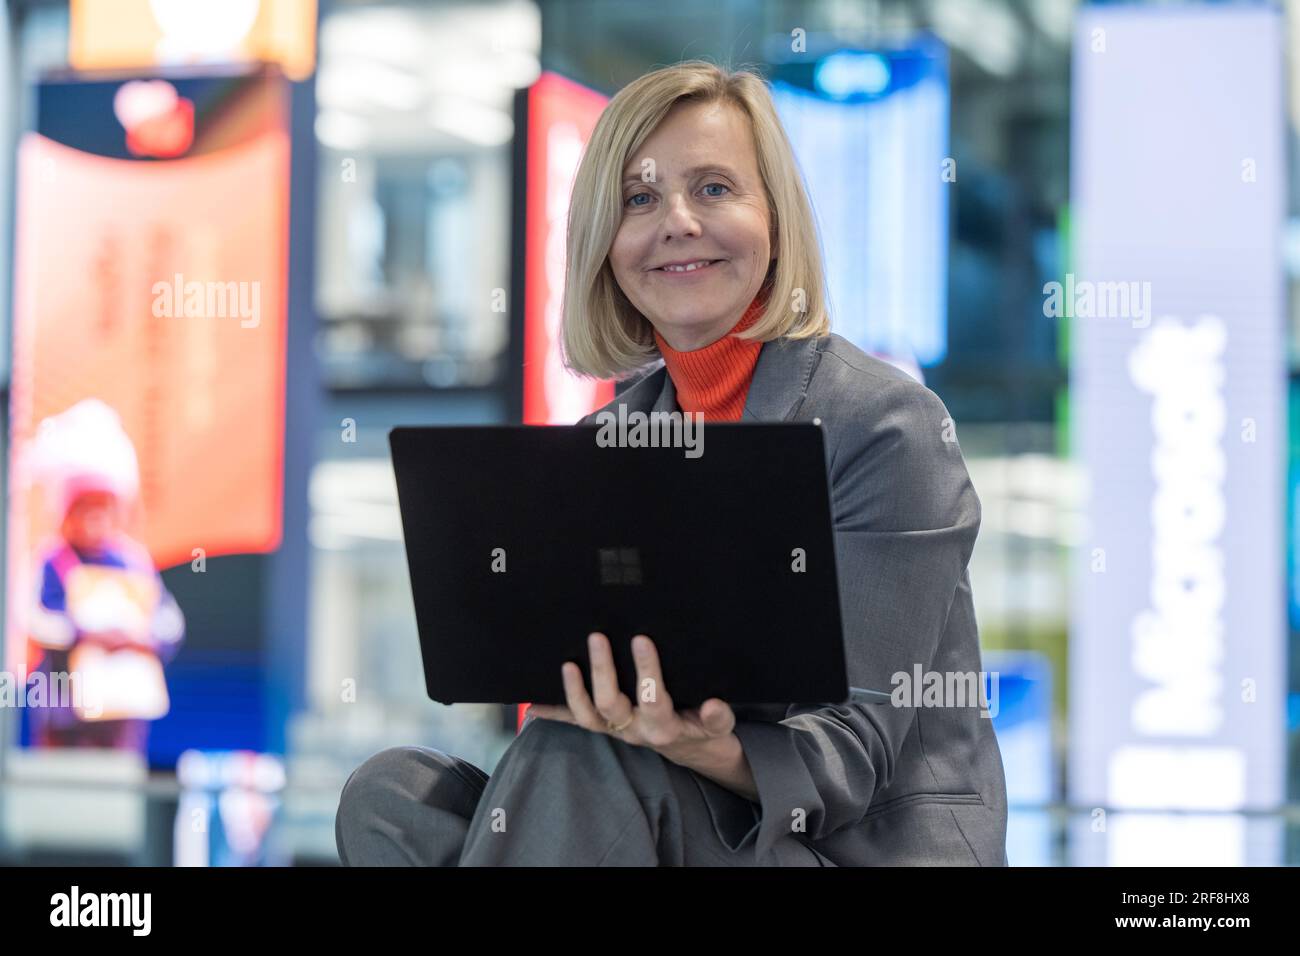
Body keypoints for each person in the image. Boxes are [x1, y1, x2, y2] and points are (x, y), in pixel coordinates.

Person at [336, 60, 1008, 866]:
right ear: (605, 243)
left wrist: (696, 744)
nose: (677, 222)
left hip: (841, 845)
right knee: (390, 796)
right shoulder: (606, 445)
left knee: (579, 760)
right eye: (640, 199)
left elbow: (849, 756)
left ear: (776, 221)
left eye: (716, 188)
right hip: (660, 812)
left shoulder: (887, 426)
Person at [25, 399, 185, 752]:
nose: (96, 520)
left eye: (104, 510)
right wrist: (84, 632)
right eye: (86, 510)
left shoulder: (132, 561)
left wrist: (137, 636)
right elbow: (34, 621)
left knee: (114, 788)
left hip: (122, 709)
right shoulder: (52, 560)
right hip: (63, 709)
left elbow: (169, 623)